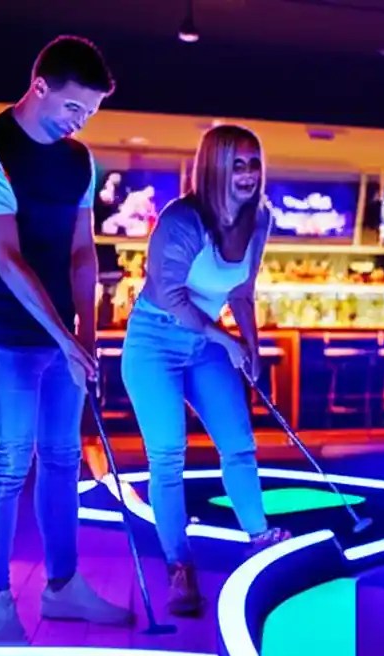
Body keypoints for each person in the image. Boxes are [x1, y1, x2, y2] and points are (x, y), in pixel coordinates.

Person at [0, 35, 133, 645]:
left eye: (91, 114)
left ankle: (63, 588)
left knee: (61, 460)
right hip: (5, 337)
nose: (79, 124)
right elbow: (8, 259)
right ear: (40, 86)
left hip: (60, 343)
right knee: (9, 463)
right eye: (73, 109)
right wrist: (64, 336)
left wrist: (87, 336)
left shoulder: (79, 161)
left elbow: (83, 254)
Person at [121, 124, 290, 617]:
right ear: (213, 166)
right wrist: (226, 340)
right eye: (236, 163)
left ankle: (259, 535)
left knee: (239, 443)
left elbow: (241, 291)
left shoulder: (260, 219)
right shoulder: (181, 219)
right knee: (168, 455)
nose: (247, 173)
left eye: (254, 163)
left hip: (206, 342)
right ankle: (180, 566)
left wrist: (252, 348)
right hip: (154, 341)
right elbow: (171, 296)